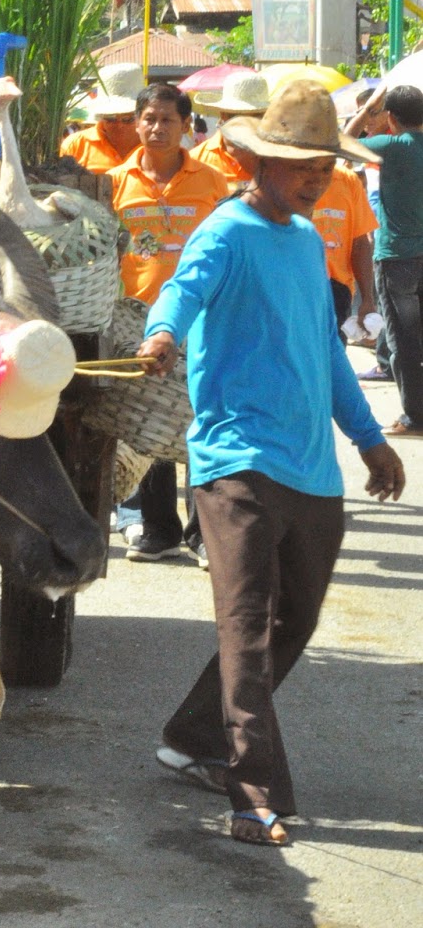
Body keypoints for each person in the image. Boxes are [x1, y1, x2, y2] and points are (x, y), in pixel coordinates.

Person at [138, 82, 404, 846]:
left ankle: (193, 734)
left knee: (296, 620)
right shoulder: (225, 232)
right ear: (253, 159)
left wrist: (368, 439)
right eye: (299, 165)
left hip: (313, 472)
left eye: (325, 165)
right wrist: (162, 337)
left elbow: (325, 353)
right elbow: (179, 294)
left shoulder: (304, 241)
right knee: (248, 628)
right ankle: (252, 793)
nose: (315, 177)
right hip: (236, 463)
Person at [109, 83, 229, 563]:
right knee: (151, 423)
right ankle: (159, 531)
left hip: (202, 320)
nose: (157, 128)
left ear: (186, 126)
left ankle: (204, 534)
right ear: (137, 122)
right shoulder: (115, 181)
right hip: (139, 319)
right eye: (149, 118)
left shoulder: (213, 182)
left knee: (203, 421)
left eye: (168, 120)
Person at [347, 82, 423, 437]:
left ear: (390, 116)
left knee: (403, 342)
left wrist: (366, 111)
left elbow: (340, 145)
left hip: (397, 258)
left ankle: (414, 417)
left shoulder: (393, 146)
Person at [310, 162, 378, 337]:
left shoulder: (348, 180)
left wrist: (367, 299)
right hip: (297, 287)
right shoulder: (284, 176)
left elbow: (360, 242)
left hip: (338, 291)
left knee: (334, 358)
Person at [193, 73, 269, 191]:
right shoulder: (195, 161)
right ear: (223, 115)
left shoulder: (278, 161)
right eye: (238, 117)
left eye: (255, 116)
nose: (247, 124)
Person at [60, 63, 142, 171]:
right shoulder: (76, 145)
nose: (119, 125)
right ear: (101, 116)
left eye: (128, 119)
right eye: (110, 118)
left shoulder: (158, 145)